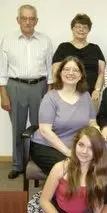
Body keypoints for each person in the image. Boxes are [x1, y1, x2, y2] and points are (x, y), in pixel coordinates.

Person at [0, 4, 53, 179]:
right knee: (18, 127)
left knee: (40, 128)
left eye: (31, 18)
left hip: (40, 86)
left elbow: (50, 69)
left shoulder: (45, 40)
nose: (28, 22)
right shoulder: (8, 39)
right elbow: (2, 70)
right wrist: (4, 95)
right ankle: (18, 165)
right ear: (18, 20)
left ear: (36, 21)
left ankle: (38, 163)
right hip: (15, 87)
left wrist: (50, 92)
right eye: (24, 18)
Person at [30, 56, 98, 175]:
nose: (70, 73)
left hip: (77, 147)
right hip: (47, 145)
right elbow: (45, 131)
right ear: (60, 73)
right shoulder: (50, 97)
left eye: (75, 70)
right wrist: (68, 153)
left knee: (96, 167)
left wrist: (98, 131)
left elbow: (92, 122)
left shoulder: (86, 96)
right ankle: (49, 193)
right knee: (70, 170)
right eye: (66, 69)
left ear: (81, 75)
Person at [30, 126, 107, 213]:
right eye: (81, 145)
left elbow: (97, 208)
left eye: (90, 148)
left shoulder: (98, 172)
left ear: (97, 151)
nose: (84, 151)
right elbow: (44, 201)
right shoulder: (61, 168)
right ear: (75, 145)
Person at [52, 13, 105, 104]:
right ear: (72, 29)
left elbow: (102, 72)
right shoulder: (63, 47)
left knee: (91, 118)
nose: (81, 29)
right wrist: (61, 91)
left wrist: (97, 90)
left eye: (85, 27)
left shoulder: (95, 48)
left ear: (89, 30)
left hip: (91, 95)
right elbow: (55, 71)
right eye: (78, 26)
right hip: (66, 94)